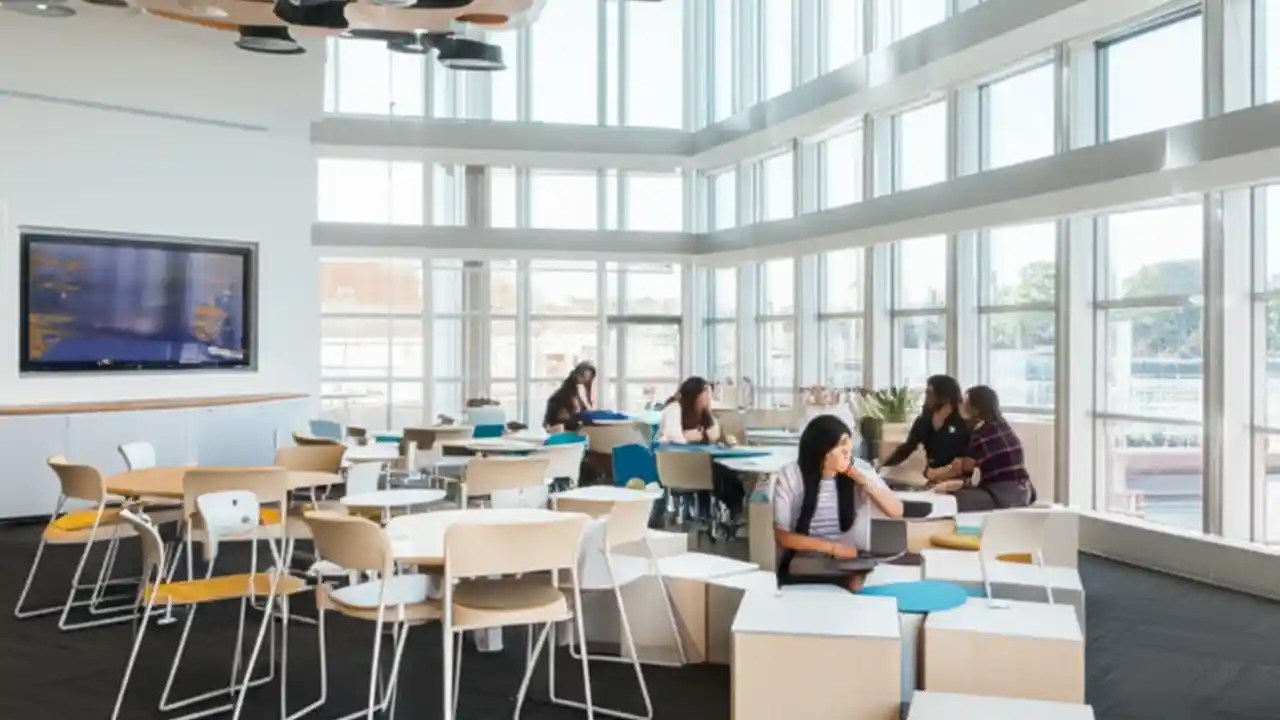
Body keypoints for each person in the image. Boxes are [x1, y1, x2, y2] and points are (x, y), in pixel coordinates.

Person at [773, 414, 904, 592]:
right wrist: (833, 548)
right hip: (806, 560)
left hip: (850, 563)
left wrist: (863, 481)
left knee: (861, 587)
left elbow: (896, 510)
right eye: (841, 446)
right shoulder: (790, 476)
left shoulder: (859, 469)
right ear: (822, 450)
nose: (847, 452)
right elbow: (782, 537)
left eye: (848, 446)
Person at [929, 385, 1034, 511]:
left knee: (950, 499)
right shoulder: (1002, 425)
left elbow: (962, 469)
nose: (961, 407)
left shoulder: (981, 434)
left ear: (976, 409)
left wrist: (932, 475)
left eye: (965, 403)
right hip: (1024, 491)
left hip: (1002, 495)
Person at [658, 376, 746, 520]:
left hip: (699, 462)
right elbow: (675, 436)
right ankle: (729, 514)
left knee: (729, 476)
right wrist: (690, 437)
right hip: (679, 465)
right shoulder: (674, 408)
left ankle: (733, 514)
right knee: (722, 476)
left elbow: (714, 435)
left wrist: (707, 419)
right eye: (704, 396)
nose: (707, 400)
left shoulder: (703, 413)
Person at [881, 374, 969, 476]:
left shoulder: (962, 422)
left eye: (931, 393)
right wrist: (885, 466)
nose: (927, 397)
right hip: (932, 475)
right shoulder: (924, 420)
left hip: (956, 476)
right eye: (927, 393)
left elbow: (965, 455)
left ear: (945, 395)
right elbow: (908, 447)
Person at [543, 362, 596, 431]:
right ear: (577, 374)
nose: (586, 380)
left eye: (588, 378)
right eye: (584, 377)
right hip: (561, 431)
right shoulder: (564, 394)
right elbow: (553, 420)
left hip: (569, 428)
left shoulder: (576, 391)